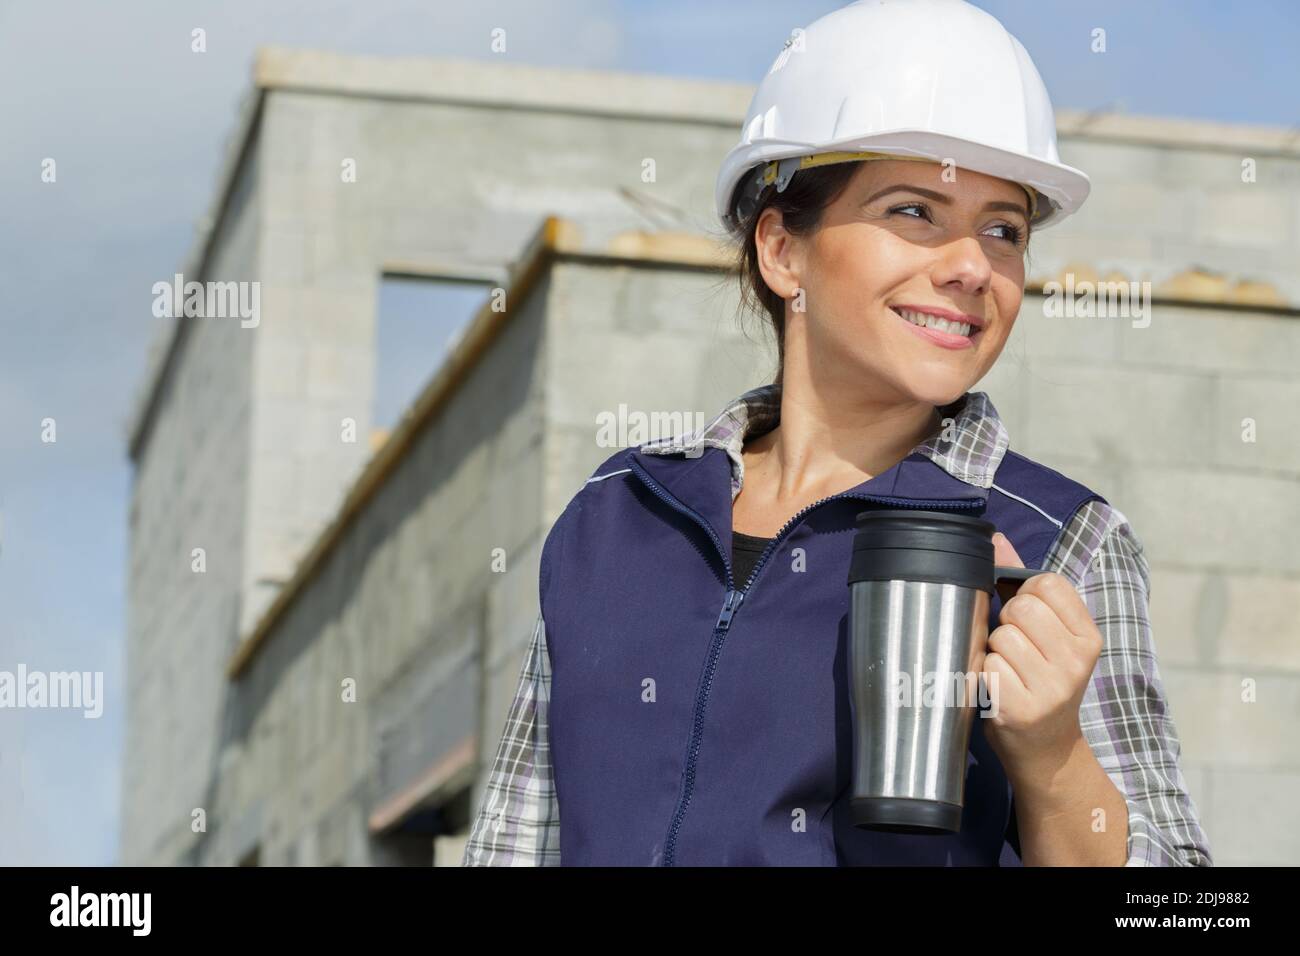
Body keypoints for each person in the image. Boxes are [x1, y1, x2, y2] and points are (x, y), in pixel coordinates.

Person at [462, 0, 1212, 866]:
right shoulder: (621, 515)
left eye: (1003, 229)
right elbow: (515, 843)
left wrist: (1052, 759)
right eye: (914, 212)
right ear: (783, 251)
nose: (973, 266)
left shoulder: (1063, 542)